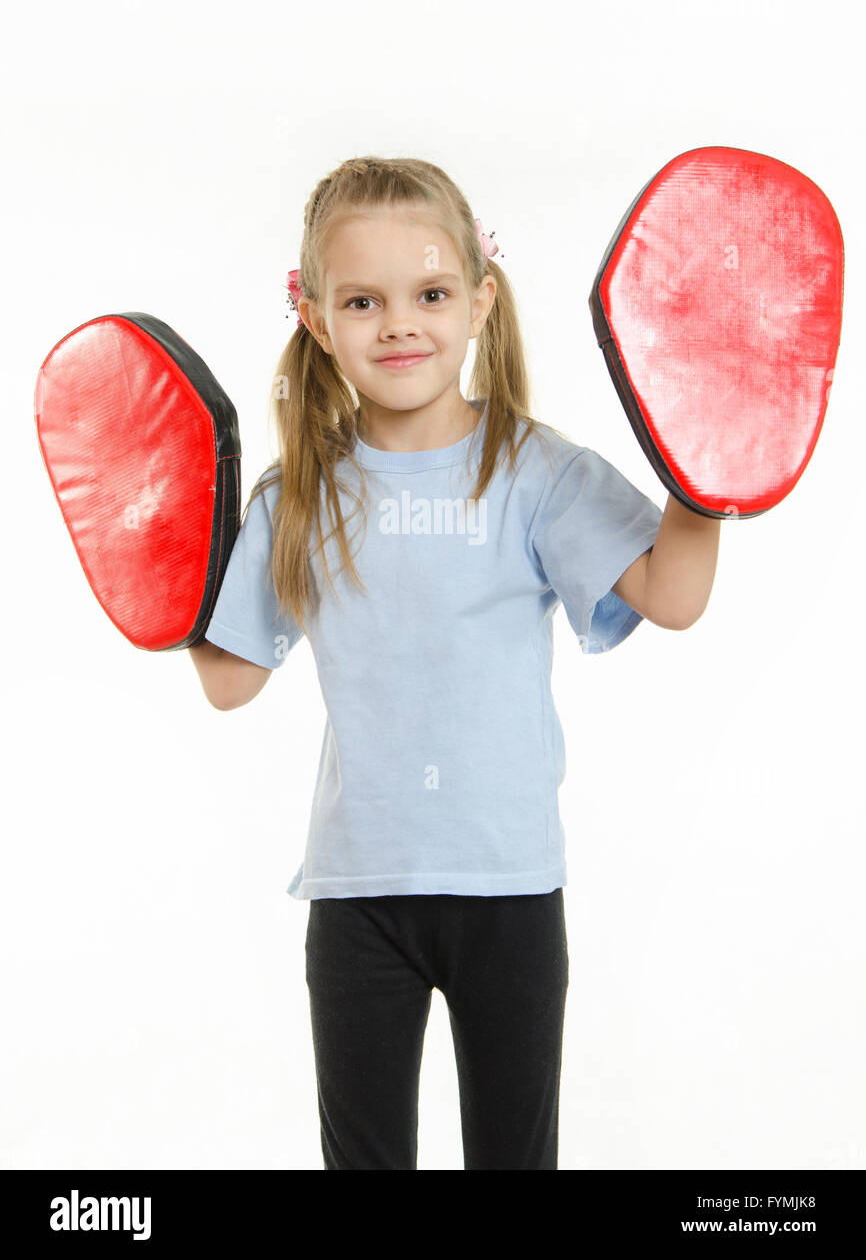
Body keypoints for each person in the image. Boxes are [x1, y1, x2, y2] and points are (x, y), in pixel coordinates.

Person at [189, 155, 719, 1169]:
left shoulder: (532, 471)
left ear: (479, 299)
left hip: (510, 892)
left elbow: (674, 594)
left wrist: (705, 468)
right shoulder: (296, 492)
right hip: (357, 897)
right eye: (362, 300)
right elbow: (226, 677)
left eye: (429, 293)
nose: (398, 323)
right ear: (312, 316)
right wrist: (162, 571)